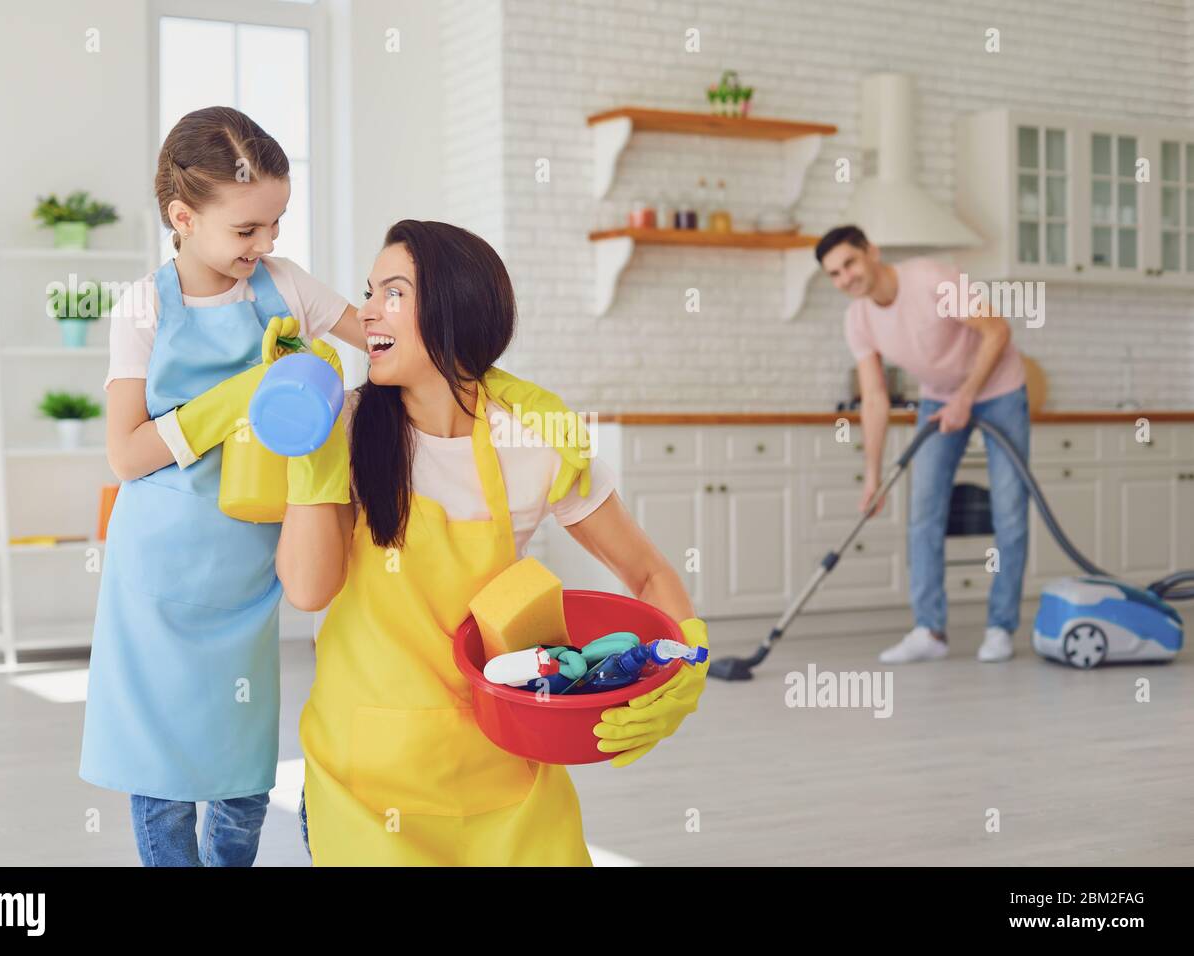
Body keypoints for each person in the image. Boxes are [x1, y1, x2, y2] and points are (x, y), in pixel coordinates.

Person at [80, 106, 592, 866]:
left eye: (277, 223)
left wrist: (507, 393)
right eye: (247, 230)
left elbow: (407, 340)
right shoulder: (143, 308)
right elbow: (126, 454)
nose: (268, 244)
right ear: (183, 218)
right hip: (160, 563)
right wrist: (243, 396)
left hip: (249, 563)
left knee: (242, 765)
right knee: (161, 766)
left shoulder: (285, 285)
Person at [286, 220, 711, 865]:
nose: (366, 310)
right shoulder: (341, 426)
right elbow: (307, 588)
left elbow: (649, 573)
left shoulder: (534, 437)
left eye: (392, 292)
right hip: (366, 781)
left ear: (456, 310)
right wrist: (307, 458)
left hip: (504, 767)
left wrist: (687, 662)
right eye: (368, 291)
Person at [816, 225, 1030, 664]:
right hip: (939, 398)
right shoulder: (858, 318)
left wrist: (967, 397)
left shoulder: (931, 281)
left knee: (1009, 510)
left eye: (850, 263)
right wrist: (873, 476)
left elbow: (996, 331)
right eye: (834, 274)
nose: (846, 279)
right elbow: (874, 397)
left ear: (872, 252)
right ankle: (929, 631)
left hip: (999, 389)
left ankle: (1000, 627)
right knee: (924, 511)